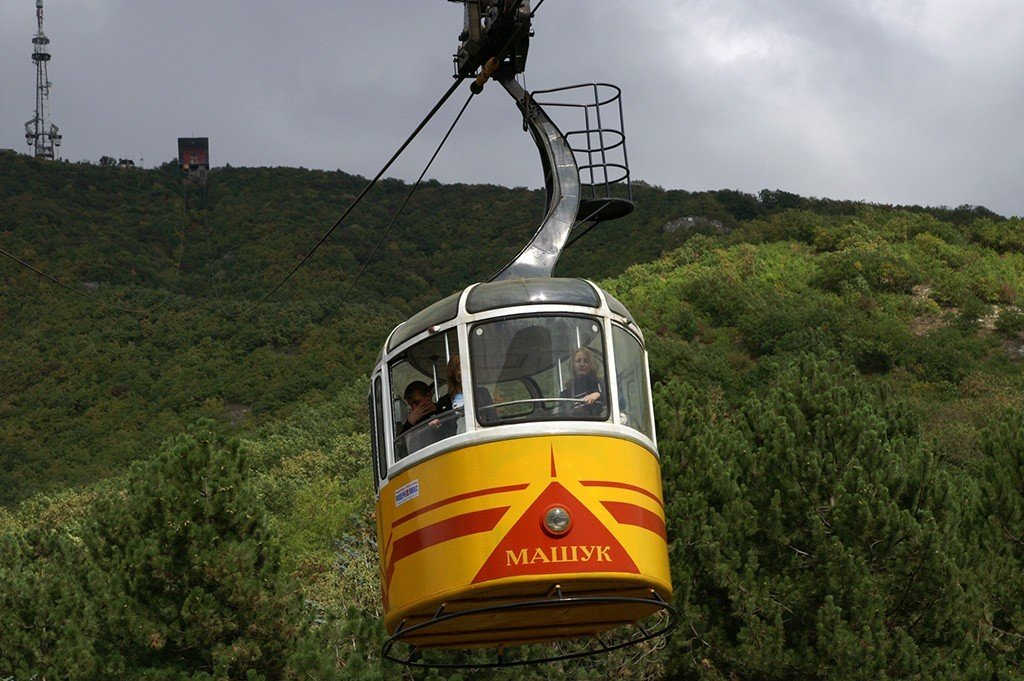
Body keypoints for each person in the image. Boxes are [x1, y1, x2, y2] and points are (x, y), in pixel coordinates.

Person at [560, 347, 604, 416]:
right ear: (573, 365)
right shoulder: (565, 394)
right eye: (578, 361)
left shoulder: (601, 384)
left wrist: (598, 395)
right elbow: (562, 416)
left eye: (586, 361)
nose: (582, 364)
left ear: (591, 364)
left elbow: (620, 402)